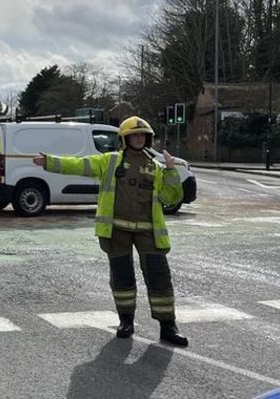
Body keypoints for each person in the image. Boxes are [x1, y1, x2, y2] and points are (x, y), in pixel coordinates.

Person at [33, 116, 188, 346]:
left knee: (159, 278)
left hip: (148, 231)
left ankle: (168, 326)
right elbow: (80, 165)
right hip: (117, 230)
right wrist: (50, 162)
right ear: (125, 138)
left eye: (142, 135)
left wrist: (171, 172)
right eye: (134, 135)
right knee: (122, 278)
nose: (138, 138)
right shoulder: (110, 161)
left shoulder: (156, 167)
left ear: (147, 138)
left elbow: (170, 198)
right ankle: (126, 321)